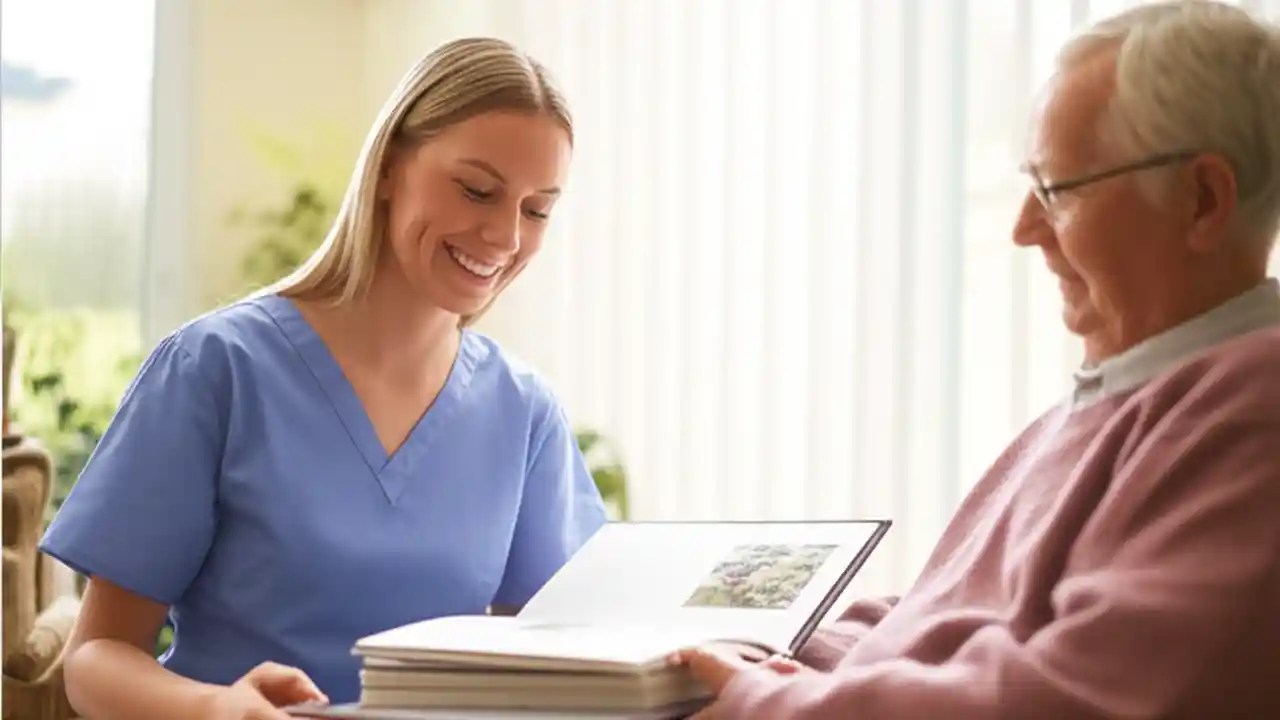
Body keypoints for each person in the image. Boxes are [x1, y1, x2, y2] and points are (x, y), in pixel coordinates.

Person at [676, 3, 1280, 718]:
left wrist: (769, 703)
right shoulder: (1127, 392)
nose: (1025, 229)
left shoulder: (1253, 404)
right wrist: (771, 648)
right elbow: (954, 616)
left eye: (1055, 191)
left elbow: (1074, 698)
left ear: (1202, 199)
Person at [40, 37, 607, 719]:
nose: (505, 237)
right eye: (477, 190)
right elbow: (95, 658)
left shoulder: (522, 413)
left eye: (537, 209)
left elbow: (566, 664)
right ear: (391, 165)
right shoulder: (218, 369)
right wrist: (220, 710)